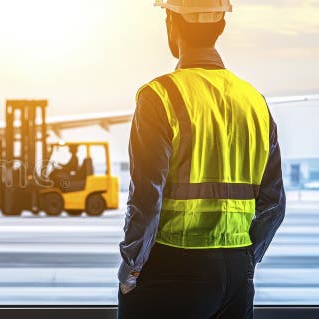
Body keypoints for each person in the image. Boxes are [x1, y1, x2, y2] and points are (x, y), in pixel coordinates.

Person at [117, 1, 286, 318]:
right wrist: (246, 258)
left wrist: (131, 267)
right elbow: (274, 202)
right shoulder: (254, 100)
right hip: (236, 275)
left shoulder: (159, 95)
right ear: (221, 25)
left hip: (173, 266)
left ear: (171, 23)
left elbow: (146, 195)